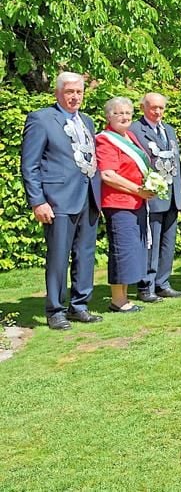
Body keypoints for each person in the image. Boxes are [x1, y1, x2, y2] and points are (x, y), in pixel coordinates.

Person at [20, 72, 104, 329]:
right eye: (69, 92)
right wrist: (38, 201)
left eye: (79, 92)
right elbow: (30, 165)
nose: (75, 97)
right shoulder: (41, 119)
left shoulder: (87, 121)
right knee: (58, 257)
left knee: (85, 255)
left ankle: (79, 306)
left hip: (88, 198)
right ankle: (55, 310)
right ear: (57, 93)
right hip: (58, 200)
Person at [95, 97, 158, 312]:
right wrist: (138, 190)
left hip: (136, 202)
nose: (124, 117)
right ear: (108, 116)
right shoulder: (105, 140)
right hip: (119, 203)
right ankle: (117, 300)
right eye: (118, 113)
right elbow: (108, 175)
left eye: (127, 113)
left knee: (133, 250)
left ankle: (123, 296)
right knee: (122, 251)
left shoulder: (130, 136)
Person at [130, 92, 181, 300]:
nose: (157, 112)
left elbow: (176, 163)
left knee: (168, 243)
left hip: (172, 195)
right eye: (153, 107)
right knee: (150, 244)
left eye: (161, 108)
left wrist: (180, 193)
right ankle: (146, 286)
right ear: (143, 107)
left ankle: (163, 282)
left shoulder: (168, 129)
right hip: (152, 197)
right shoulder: (135, 130)